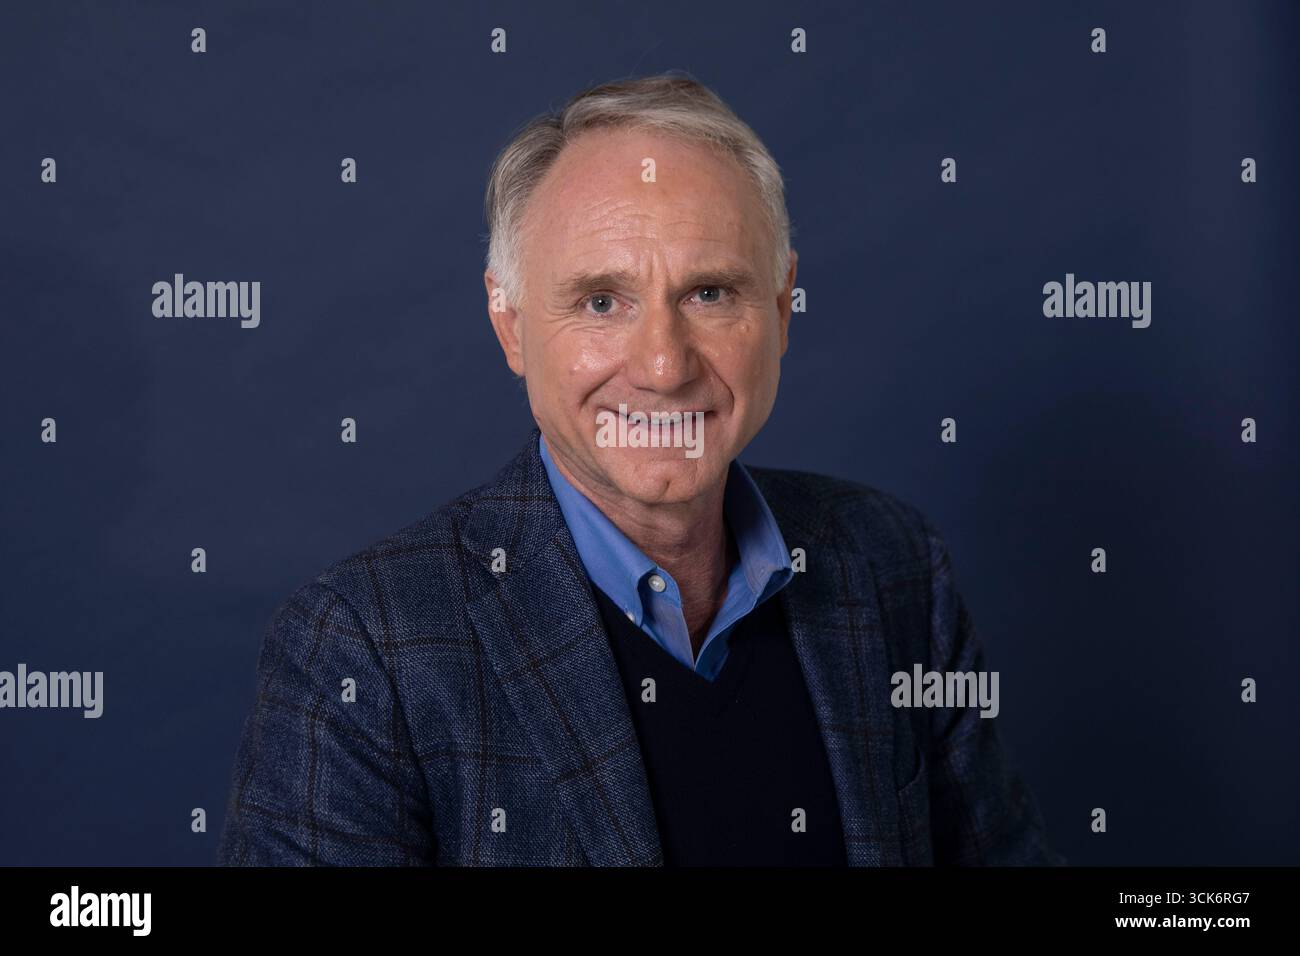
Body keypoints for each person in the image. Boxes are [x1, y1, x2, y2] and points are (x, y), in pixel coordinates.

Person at [216, 71, 1062, 866]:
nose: (662, 365)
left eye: (710, 294)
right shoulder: (364, 650)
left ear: (780, 308)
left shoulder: (894, 565)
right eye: (600, 302)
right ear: (510, 327)